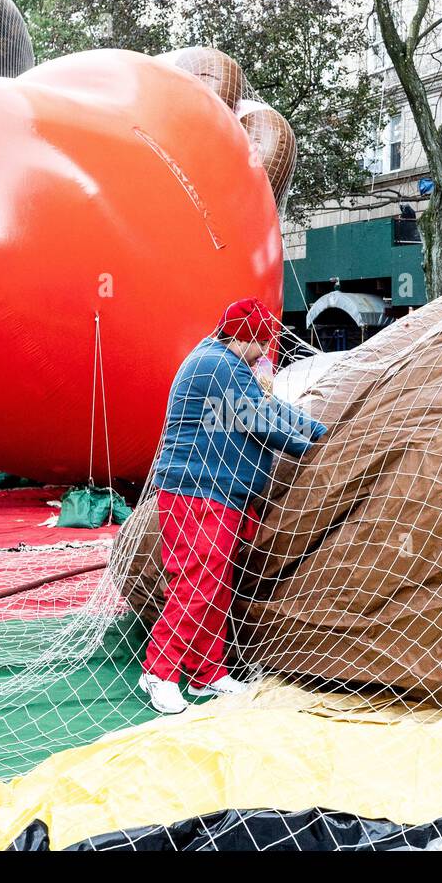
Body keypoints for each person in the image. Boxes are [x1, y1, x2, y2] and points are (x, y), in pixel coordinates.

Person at [140, 297, 328, 714]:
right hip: (198, 492)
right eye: (262, 342)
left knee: (216, 584)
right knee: (199, 582)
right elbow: (258, 416)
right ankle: (160, 670)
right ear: (244, 337)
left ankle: (208, 670)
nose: (265, 352)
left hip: (219, 493)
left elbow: (266, 409)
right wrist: (310, 443)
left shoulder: (221, 363)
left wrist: (315, 430)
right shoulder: (219, 366)